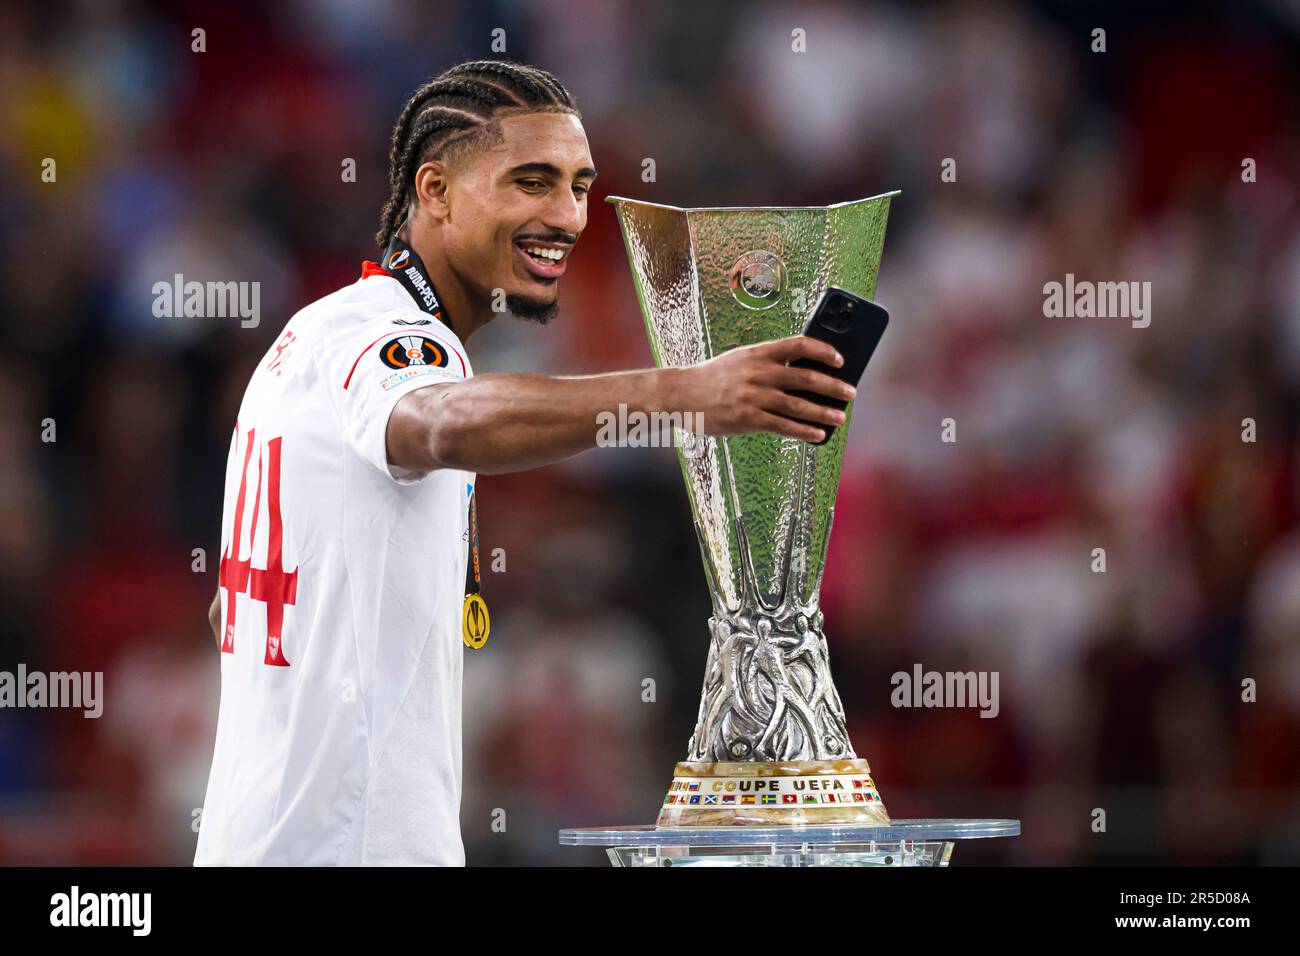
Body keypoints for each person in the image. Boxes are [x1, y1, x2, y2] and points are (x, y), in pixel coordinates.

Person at [194, 58, 853, 866]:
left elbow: (237, 614)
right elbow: (437, 425)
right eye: (532, 182)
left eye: (578, 186)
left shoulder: (311, 338)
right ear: (433, 191)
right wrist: (691, 392)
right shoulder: (396, 341)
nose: (568, 216)